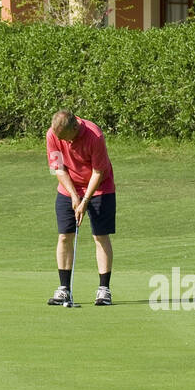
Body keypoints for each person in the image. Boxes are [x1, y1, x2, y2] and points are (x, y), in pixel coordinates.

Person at [45, 109, 115, 306]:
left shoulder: (95, 135)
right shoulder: (52, 134)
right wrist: (75, 195)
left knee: (100, 236)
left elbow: (99, 171)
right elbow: (57, 168)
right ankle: (64, 289)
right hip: (68, 188)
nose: (64, 142)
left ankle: (104, 290)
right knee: (65, 236)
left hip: (100, 188)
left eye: (66, 138)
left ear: (75, 126)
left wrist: (85, 201)